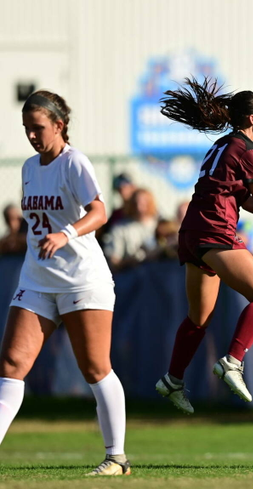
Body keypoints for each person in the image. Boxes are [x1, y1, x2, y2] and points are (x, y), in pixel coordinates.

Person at [154, 77, 253, 414]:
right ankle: (233, 361)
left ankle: (172, 379)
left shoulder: (224, 144)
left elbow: (245, 199)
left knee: (198, 317)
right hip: (214, 230)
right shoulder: (250, 151)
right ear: (252, 118)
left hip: (192, 230)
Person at [0, 91, 129, 475]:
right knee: (10, 364)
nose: (32, 136)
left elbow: (100, 211)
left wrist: (66, 234)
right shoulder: (28, 167)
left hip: (81, 280)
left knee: (94, 367)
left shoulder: (75, 163)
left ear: (59, 125)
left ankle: (116, 457)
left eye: (38, 128)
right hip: (37, 279)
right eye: (26, 129)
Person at [101, 188, 159, 269]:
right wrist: (132, 261)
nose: (139, 206)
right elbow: (114, 261)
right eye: (136, 202)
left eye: (144, 202)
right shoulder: (120, 228)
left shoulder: (161, 225)